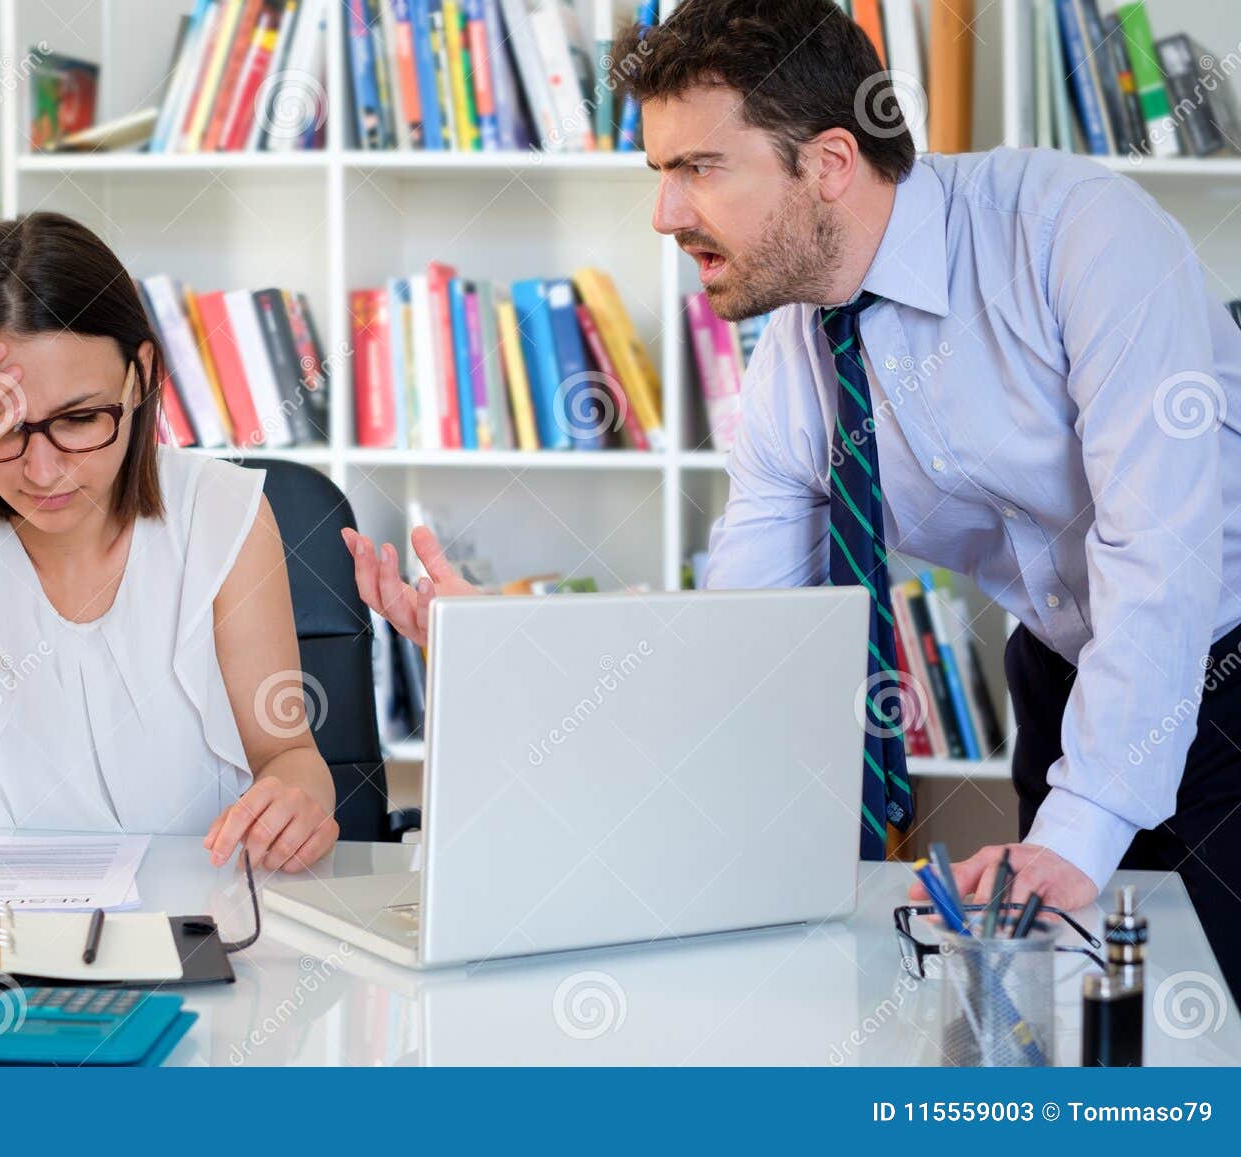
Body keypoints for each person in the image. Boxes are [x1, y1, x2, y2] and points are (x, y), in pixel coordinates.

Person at [342, 0, 1241, 992]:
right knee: (1085, 1020)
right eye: (660, 173)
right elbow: (739, 650)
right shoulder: (795, 369)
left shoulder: (1076, 233)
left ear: (830, 163)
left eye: (699, 169)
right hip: (1068, 676)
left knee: (1214, 1037)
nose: (664, 214)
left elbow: (1160, 551)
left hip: (1222, 661)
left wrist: (1078, 828)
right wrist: (514, 658)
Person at [0, 212, 337, 872]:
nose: (43, 471)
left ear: (139, 376)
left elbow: (290, 757)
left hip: (197, 922)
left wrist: (300, 799)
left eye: (79, 418)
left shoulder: (223, 514)